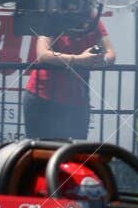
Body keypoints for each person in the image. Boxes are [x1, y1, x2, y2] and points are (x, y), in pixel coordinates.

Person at [23, 8, 116, 140]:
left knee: (74, 153)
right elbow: (43, 54)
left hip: (77, 100)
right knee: (41, 151)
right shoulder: (53, 14)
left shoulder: (92, 18)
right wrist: (79, 60)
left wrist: (96, 61)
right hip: (43, 97)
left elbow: (110, 54)